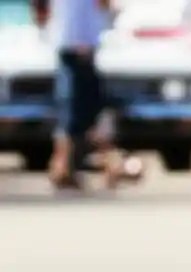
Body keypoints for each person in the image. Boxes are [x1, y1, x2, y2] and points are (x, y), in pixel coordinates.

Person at [32, 0, 137, 189]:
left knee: (89, 110)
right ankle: (63, 167)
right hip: (77, 45)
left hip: (77, 44)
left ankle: (101, 164)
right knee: (75, 110)